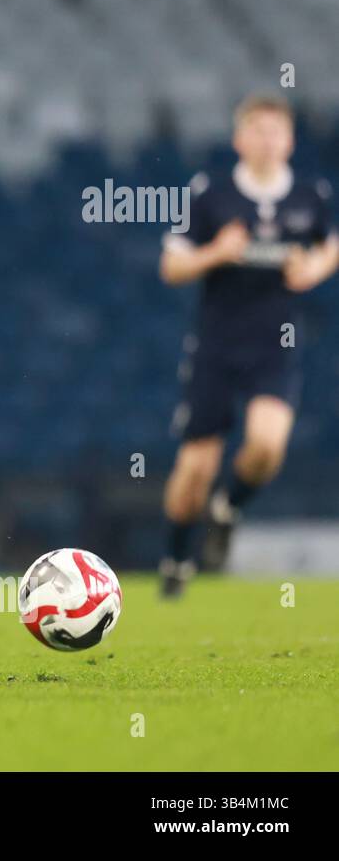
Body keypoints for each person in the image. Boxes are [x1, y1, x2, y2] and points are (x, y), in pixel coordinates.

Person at [158, 94, 338, 598]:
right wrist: (217, 252)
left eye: (276, 130)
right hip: (216, 346)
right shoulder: (210, 193)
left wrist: (316, 268)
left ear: (290, 140)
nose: (267, 139)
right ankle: (175, 560)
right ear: (239, 139)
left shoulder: (309, 194)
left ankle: (228, 509)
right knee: (195, 470)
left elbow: (330, 246)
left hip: (274, 345)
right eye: (257, 129)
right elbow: (171, 267)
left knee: (266, 446)